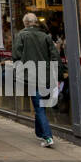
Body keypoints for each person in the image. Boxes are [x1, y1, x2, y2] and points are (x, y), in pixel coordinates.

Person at [12, 12, 59, 148]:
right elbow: (54, 55)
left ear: (26, 23)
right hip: (45, 75)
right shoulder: (45, 36)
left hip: (32, 76)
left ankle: (48, 136)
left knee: (39, 107)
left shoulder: (22, 35)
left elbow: (16, 55)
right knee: (40, 105)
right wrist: (58, 73)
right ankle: (39, 132)